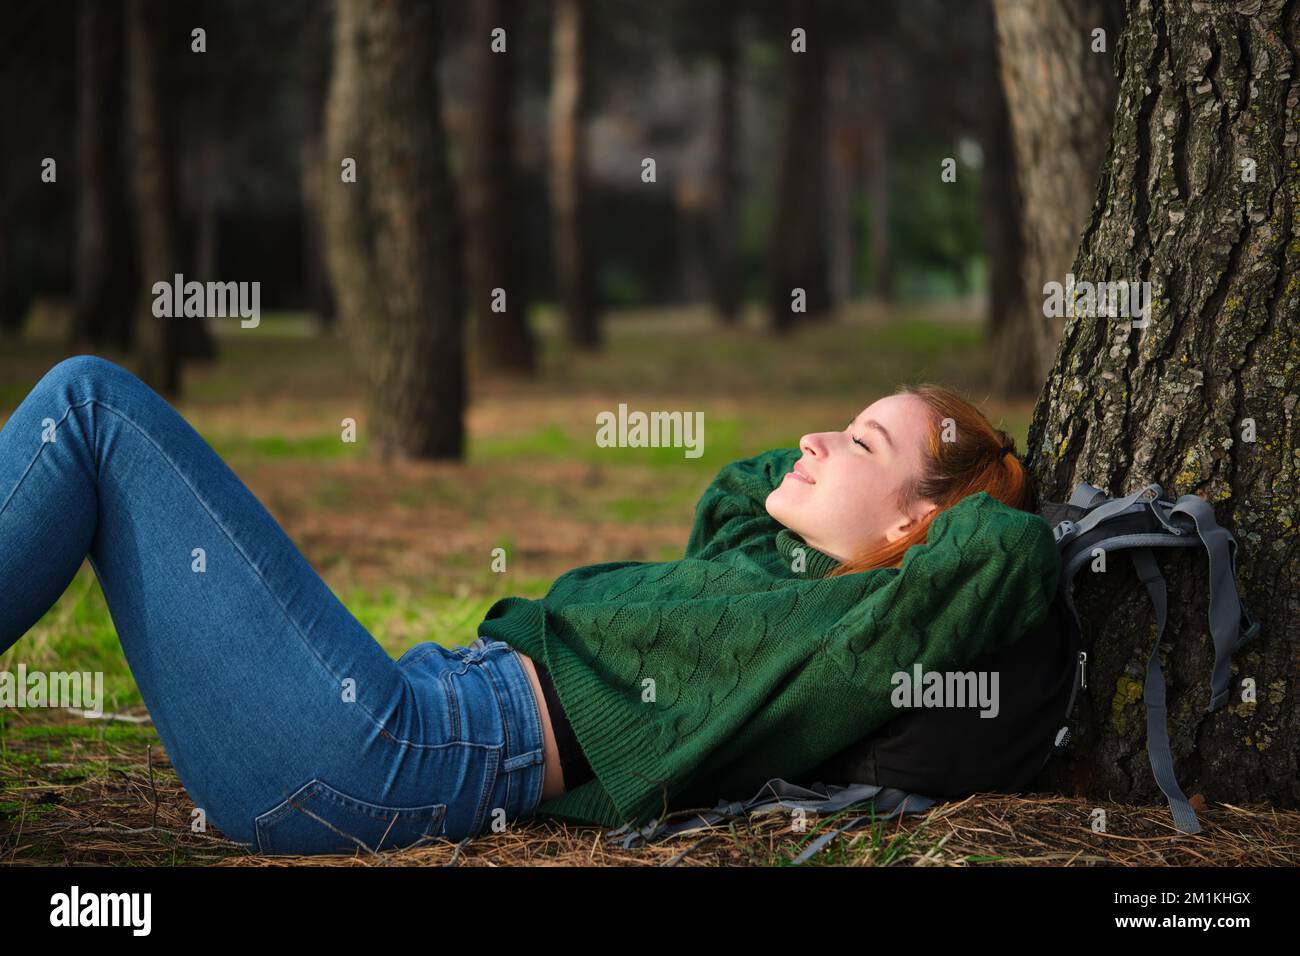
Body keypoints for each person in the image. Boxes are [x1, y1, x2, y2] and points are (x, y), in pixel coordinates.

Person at [0, 356, 1057, 855]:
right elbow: (739, 489)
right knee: (87, 415)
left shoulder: (855, 627)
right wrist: (855, 466)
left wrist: (973, 476)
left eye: (862, 442)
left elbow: (1005, 551)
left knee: (90, 406)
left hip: (394, 748)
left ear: (916, 531)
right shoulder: (770, 572)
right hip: (406, 705)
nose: (817, 441)